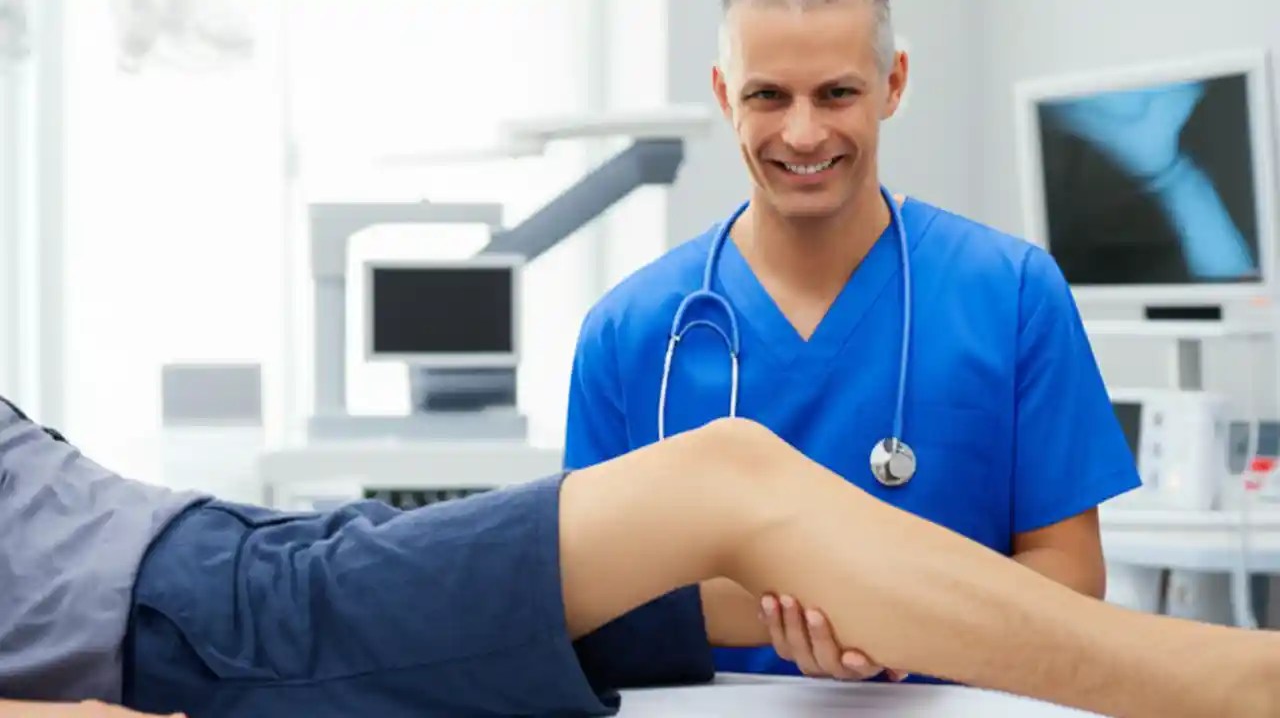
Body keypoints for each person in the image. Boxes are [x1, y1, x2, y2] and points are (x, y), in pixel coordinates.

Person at [1, 396, 1278, 718]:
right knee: (724, 475)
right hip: (199, 614)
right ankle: (1232, 684)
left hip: (224, 550)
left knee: (745, 579)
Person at [562, 0, 1142, 680]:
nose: (803, 134)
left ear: (893, 83)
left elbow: (1072, 572)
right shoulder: (628, 332)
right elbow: (584, 599)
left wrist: (911, 629)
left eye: (837, 94)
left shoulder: (1012, 295)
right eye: (768, 96)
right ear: (725, 93)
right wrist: (838, 609)